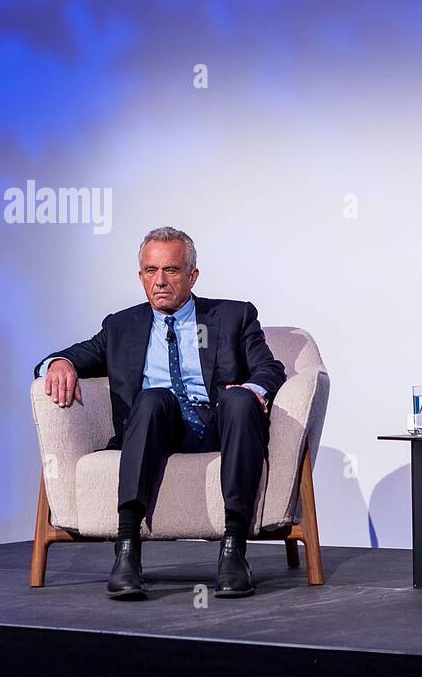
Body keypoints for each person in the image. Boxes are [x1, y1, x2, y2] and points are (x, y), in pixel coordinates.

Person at [35, 227, 285, 599]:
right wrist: (58, 363)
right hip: (158, 429)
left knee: (238, 400)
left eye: (171, 270)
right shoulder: (122, 326)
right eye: (151, 271)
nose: (160, 281)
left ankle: (234, 550)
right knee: (151, 398)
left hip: (220, 424)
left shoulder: (233, 316)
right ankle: (127, 552)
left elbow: (270, 369)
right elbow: (73, 354)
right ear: (141, 277)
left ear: (192, 275)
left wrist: (249, 390)